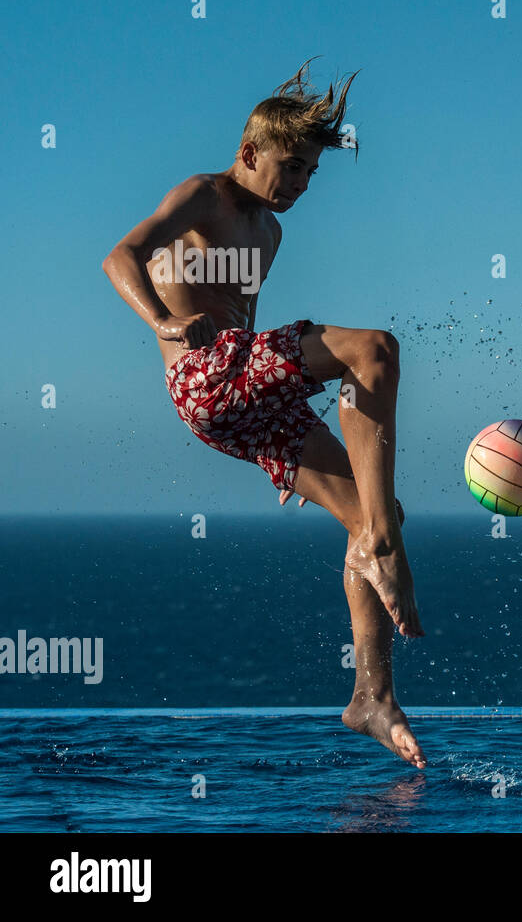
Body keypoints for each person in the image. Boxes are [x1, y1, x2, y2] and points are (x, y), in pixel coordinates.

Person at [102, 59, 427, 768]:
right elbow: (120, 256)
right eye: (292, 168)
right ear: (250, 153)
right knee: (373, 350)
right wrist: (159, 321)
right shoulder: (205, 194)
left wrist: (275, 387)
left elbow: (246, 319)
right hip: (203, 378)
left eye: (312, 173)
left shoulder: (272, 234)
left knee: (377, 514)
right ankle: (384, 552)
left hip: (243, 390)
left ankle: (372, 696)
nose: (302, 186)